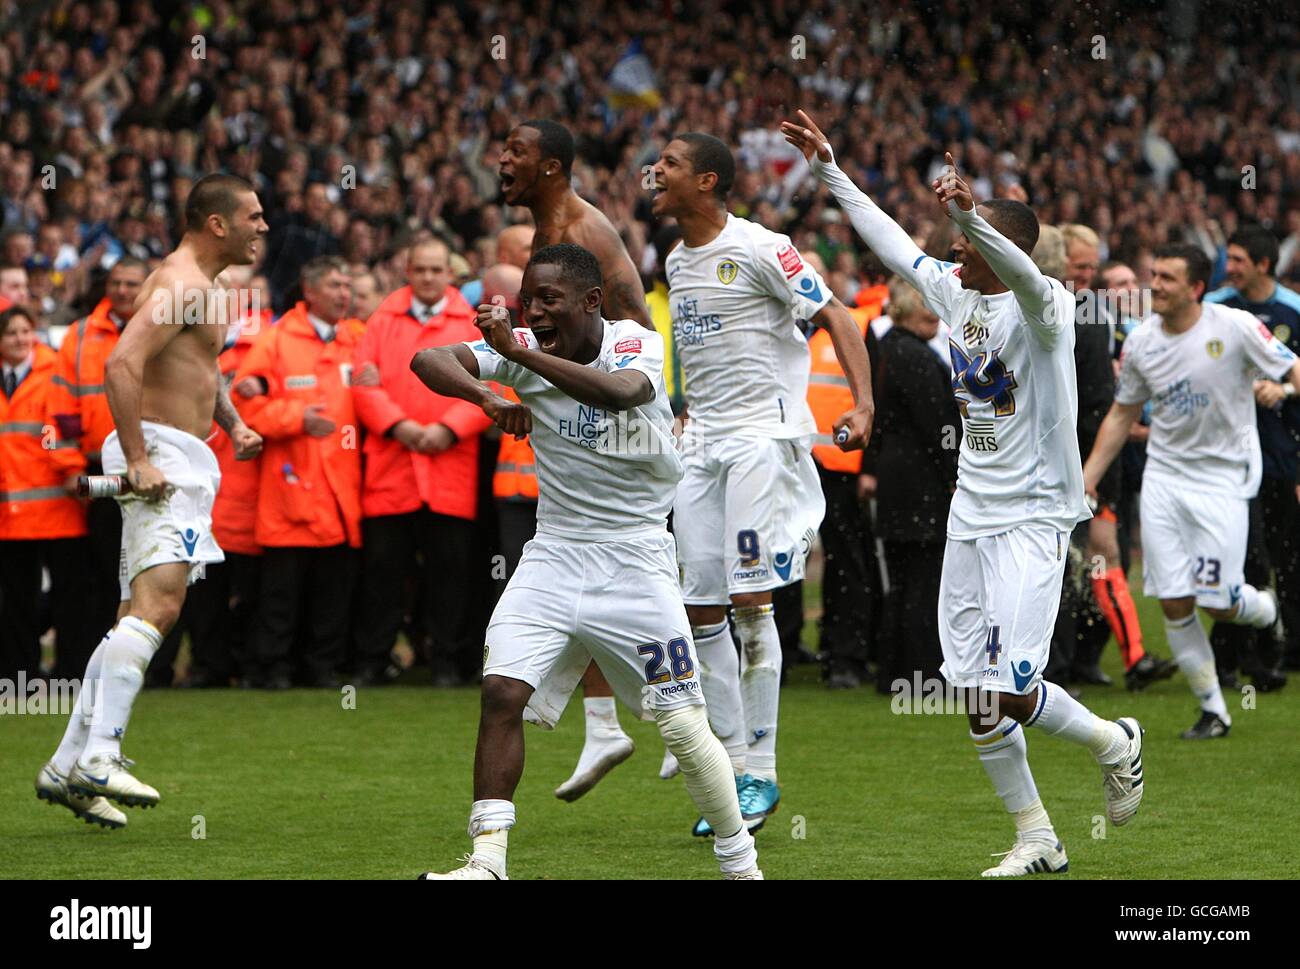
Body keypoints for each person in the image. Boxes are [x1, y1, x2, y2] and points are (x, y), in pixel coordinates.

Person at [786, 110, 1144, 876]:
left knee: (1015, 691)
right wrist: (830, 170)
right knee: (976, 695)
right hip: (970, 519)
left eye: (968, 239)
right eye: (954, 240)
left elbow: (1015, 268)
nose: (952, 248)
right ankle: (1037, 835)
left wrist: (973, 217)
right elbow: (890, 241)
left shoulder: (1044, 306)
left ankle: (1117, 742)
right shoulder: (956, 294)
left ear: (1002, 245)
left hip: (1034, 520)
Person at [410, 243, 761, 880]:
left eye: (550, 299)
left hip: (637, 558)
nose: (535, 311)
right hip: (553, 555)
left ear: (591, 301)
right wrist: (486, 397)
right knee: (500, 692)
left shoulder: (632, 343)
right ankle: (486, 862)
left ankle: (741, 863)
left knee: (682, 724)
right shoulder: (520, 350)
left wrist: (518, 357)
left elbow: (623, 395)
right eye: (528, 299)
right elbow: (427, 358)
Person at [650, 129, 874, 835]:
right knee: (701, 610)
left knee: (752, 604)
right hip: (703, 442)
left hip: (760, 438)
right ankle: (730, 768)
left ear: (709, 180)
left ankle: (763, 772)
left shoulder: (761, 246)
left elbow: (834, 314)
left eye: (671, 165)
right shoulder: (676, 259)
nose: (655, 172)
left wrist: (864, 404)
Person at [35, 172, 265, 826]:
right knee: (160, 607)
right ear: (216, 223)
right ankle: (100, 754)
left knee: (133, 614)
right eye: (253, 215)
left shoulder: (213, 289)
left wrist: (232, 420)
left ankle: (67, 762)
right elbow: (121, 364)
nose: (264, 226)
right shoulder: (180, 283)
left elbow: (199, 368)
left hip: (181, 454)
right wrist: (137, 456)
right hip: (159, 454)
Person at [1084, 243, 1300, 738]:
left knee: (1217, 600)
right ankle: (1213, 710)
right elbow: (1122, 413)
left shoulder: (1235, 326)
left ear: (1196, 288)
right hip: (1164, 477)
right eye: (1153, 274)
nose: (1154, 285)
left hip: (1223, 478)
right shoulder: (1141, 343)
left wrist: (1285, 389)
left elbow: (1292, 367)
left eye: (1167, 278)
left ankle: (1266, 611)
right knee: (1175, 601)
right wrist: (1089, 476)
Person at [499, 119, 653, 800]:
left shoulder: (578, 232)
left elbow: (632, 328)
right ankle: (606, 723)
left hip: (620, 411)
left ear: (552, 167)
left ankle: (694, 718)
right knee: (581, 561)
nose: (502, 161)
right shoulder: (555, 220)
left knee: (612, 563)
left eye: (517, 153)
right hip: (590, 404)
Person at [350, 239, 489, 686]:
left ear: (450, 274)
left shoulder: (470, 324)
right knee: (384, 572)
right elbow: (362, 384)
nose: (428, 277)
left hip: (450, 469)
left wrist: (446, 429)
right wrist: (402, 428)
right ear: (408, 270)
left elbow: (490, 389)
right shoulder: (383, 319)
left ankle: (446, 661)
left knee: (450, 573)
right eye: (421, 269)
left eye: (436, 269)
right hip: (393, 466)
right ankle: (374, 659)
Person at [234, 255, 364, 688]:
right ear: (309, 291)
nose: (343, 293)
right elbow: (244, 405)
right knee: (281, 591)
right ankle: (273, 667)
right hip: (290, 481)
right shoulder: (274, 341)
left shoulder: (358, 339)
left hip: (342, 486)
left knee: (332, 588)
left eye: (347, 285)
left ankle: (321, 666)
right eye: (334, 285)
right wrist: (296, 418)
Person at [1206, 225, 1300, 680]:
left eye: (1239, 260)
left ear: (1263, 264)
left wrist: (1283, 389)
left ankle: (1284, 649)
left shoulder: (1293, 311)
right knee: (1243, 553)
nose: (1230, 268)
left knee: (1288, 553)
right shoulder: (1217, 308)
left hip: (1282, 451)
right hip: (1229, 454)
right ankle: (1238, 657)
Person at [51, 257, 149, 660]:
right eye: (117, 283)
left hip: (150, 467)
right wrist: (72, 468)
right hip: (99, 470)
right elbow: (61, 409)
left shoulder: (163, 330)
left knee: (148, 569)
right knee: (101, 572)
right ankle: (95, 661)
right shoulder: (80, 335)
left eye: (132, 284)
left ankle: (148, 665)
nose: (123, 291)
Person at [869, 280, 959, 686]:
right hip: (919, 483)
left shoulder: (889, 349)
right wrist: (955, 471)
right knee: (924, 580)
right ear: (905, 310)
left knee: (904, 580)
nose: (935, 315)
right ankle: (922, 671)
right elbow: (937, 423)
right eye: (926, 307)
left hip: (896, 478)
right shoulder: (916, 356)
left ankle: (895, 668)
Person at [0, 307, 88, 685]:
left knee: (68, 600)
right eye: (11, 333)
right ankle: (20, 674)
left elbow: (57, 428)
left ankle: (70, 672)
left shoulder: (53, 371)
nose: (20, 339)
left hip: (56, 507)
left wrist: (61, 460)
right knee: (15, 602)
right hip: (11, 514)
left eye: (25, 331)